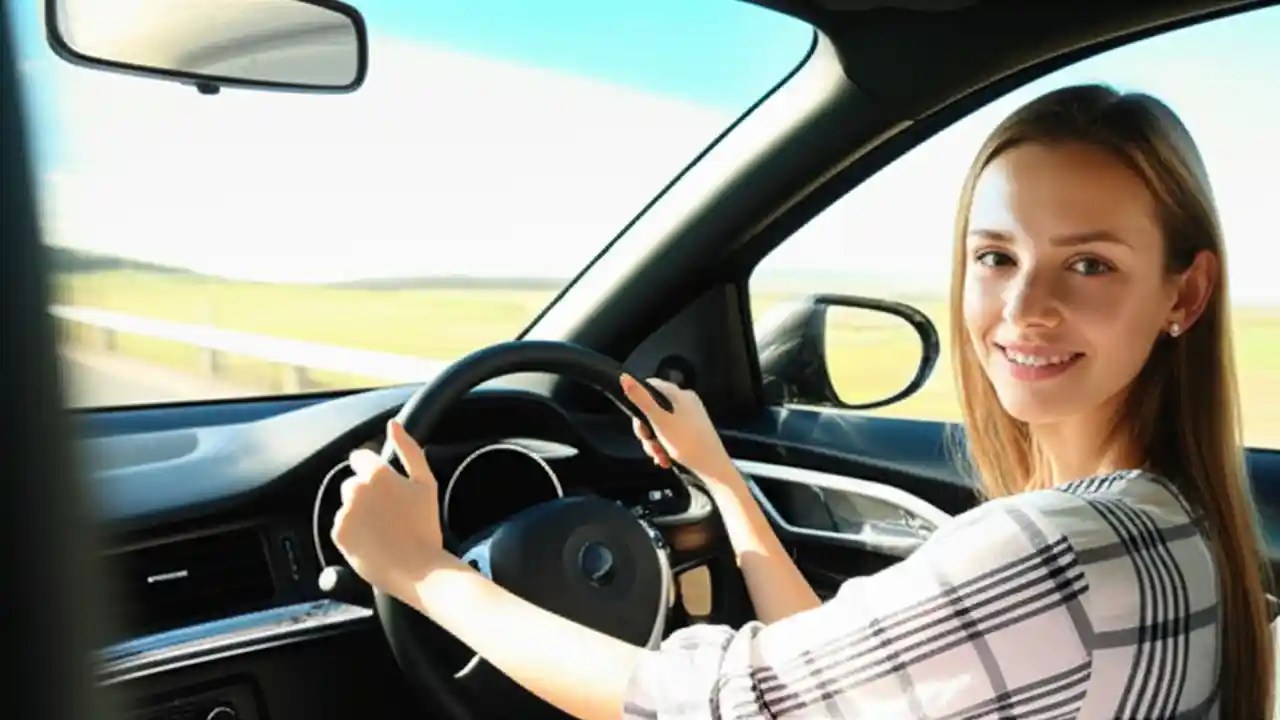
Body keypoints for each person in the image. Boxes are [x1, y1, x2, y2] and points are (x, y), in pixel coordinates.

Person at [328, 84, 1274, 718]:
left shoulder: (1055, 551)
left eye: (1090, 263)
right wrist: (723, 482)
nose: (1024, 309)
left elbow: (691, 704)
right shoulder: (1168, 525)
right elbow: (828, 673)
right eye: (996, 256)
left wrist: (419, 570)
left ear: (1183, 296)